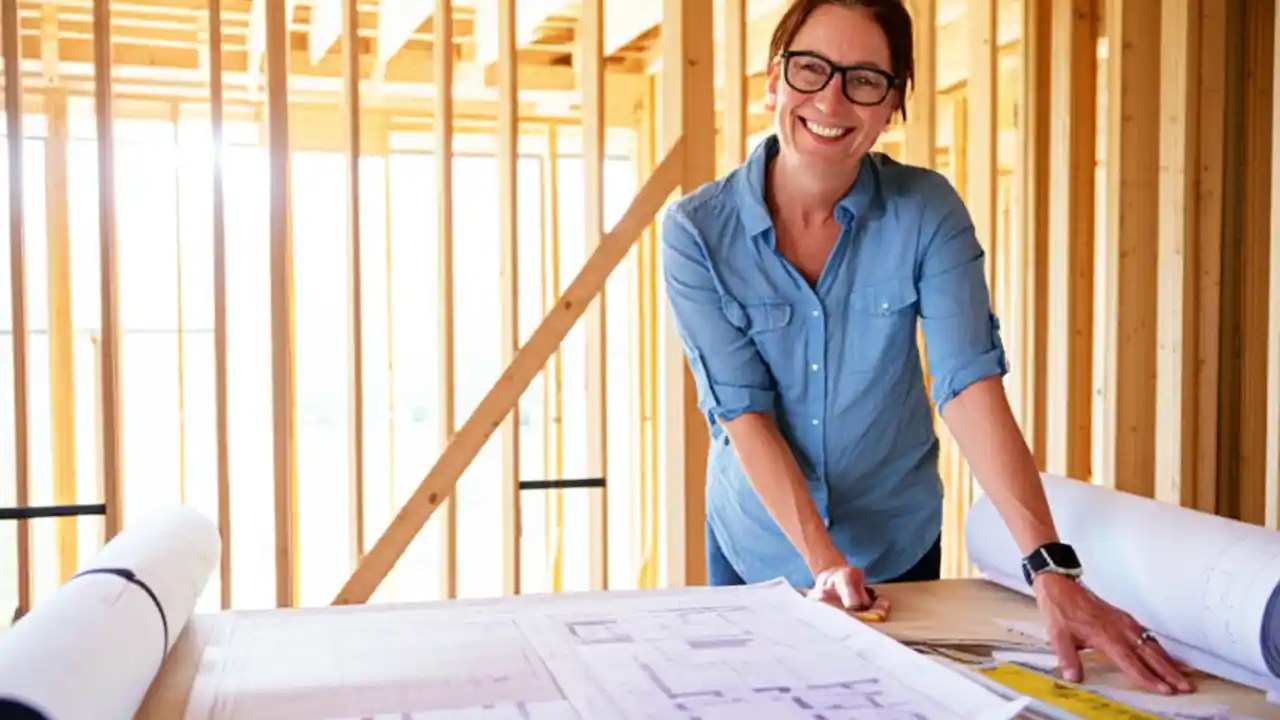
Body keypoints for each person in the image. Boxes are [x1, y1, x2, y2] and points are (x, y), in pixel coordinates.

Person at [660, 0, 1193, 696]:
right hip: (755, 545)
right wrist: (823, 563)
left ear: (893, 107)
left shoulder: (926, 211)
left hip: (897, 546)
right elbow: (743, 411)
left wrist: (1049, 569)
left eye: (865, 79)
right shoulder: (696, 233)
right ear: (773, 79)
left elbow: (967, 382)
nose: (831, 98)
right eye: (811, 69)